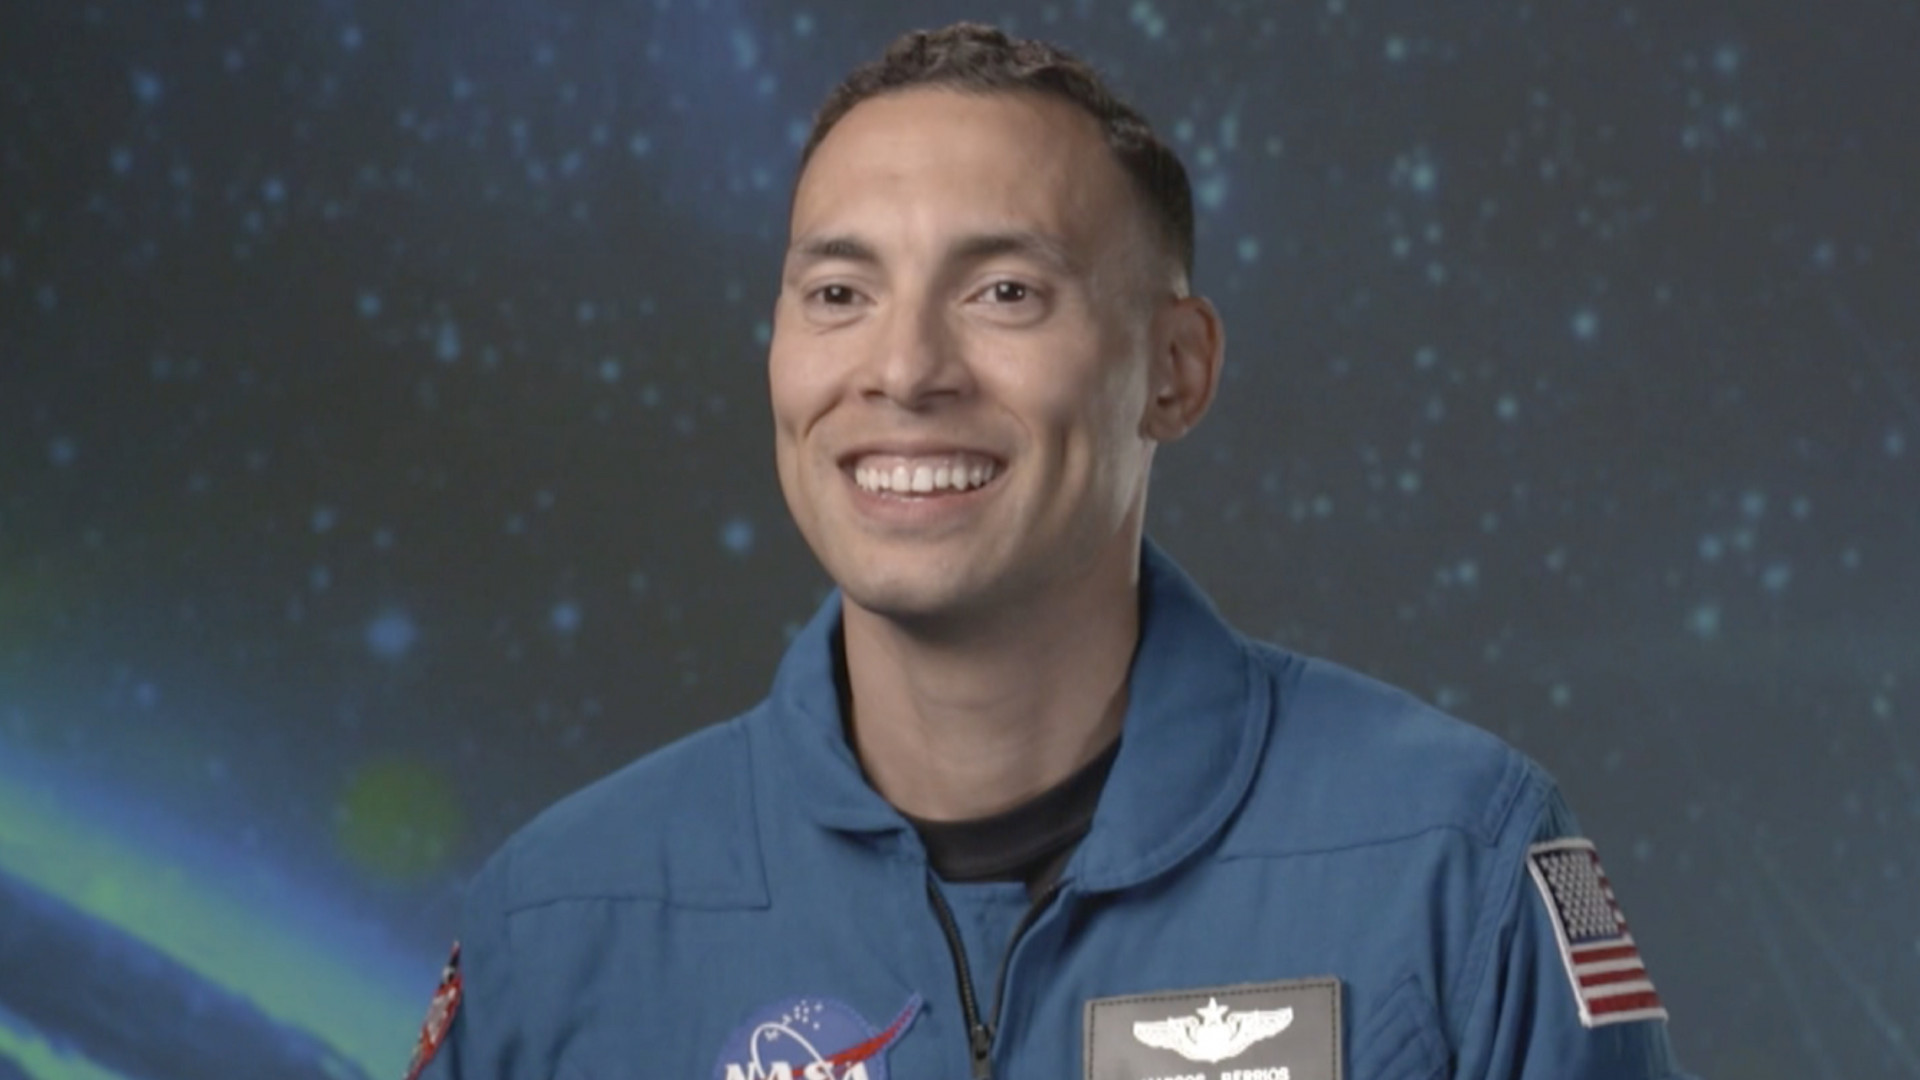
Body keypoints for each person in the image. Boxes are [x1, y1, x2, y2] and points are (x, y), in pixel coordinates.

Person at [406, 22, 1694, 1080]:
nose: (904, 369)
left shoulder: (1447, 868)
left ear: (1175, 371)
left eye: (1005, 292)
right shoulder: (565, 925)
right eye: (839, 294)